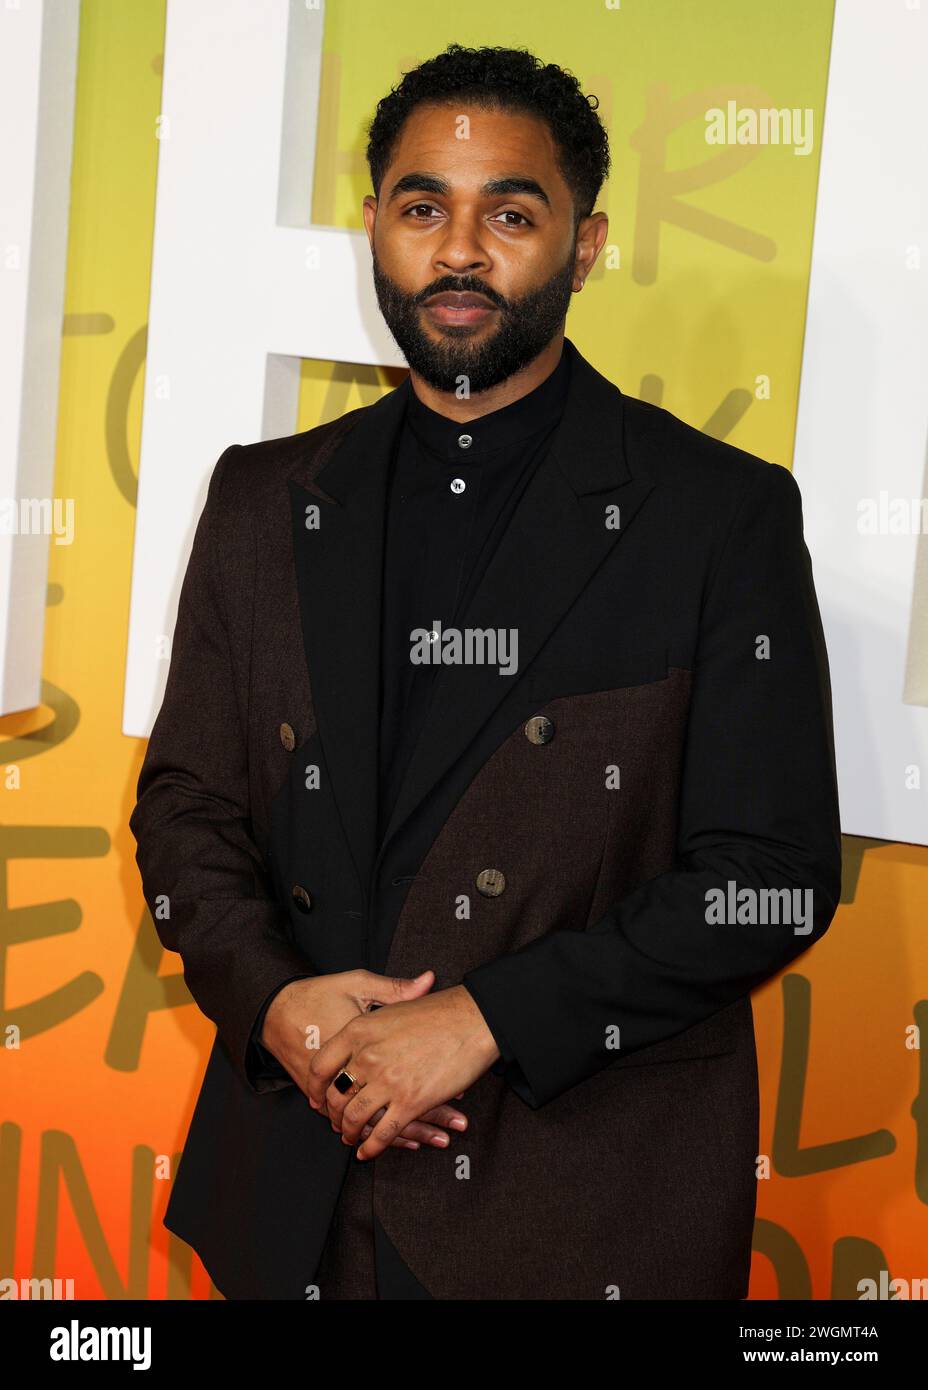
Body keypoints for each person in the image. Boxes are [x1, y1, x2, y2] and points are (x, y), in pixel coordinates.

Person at [130, 43, 842, 1300]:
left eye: (509, 212)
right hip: (290, 1201)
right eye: (423, 208)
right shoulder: (261, 498)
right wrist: (282, 1008)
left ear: (586, 241)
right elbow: (186, 808)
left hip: (575, 1218)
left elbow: (771, 877)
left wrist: (484, 1019)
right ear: (374, 229)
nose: (459, 253)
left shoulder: (714, 515)